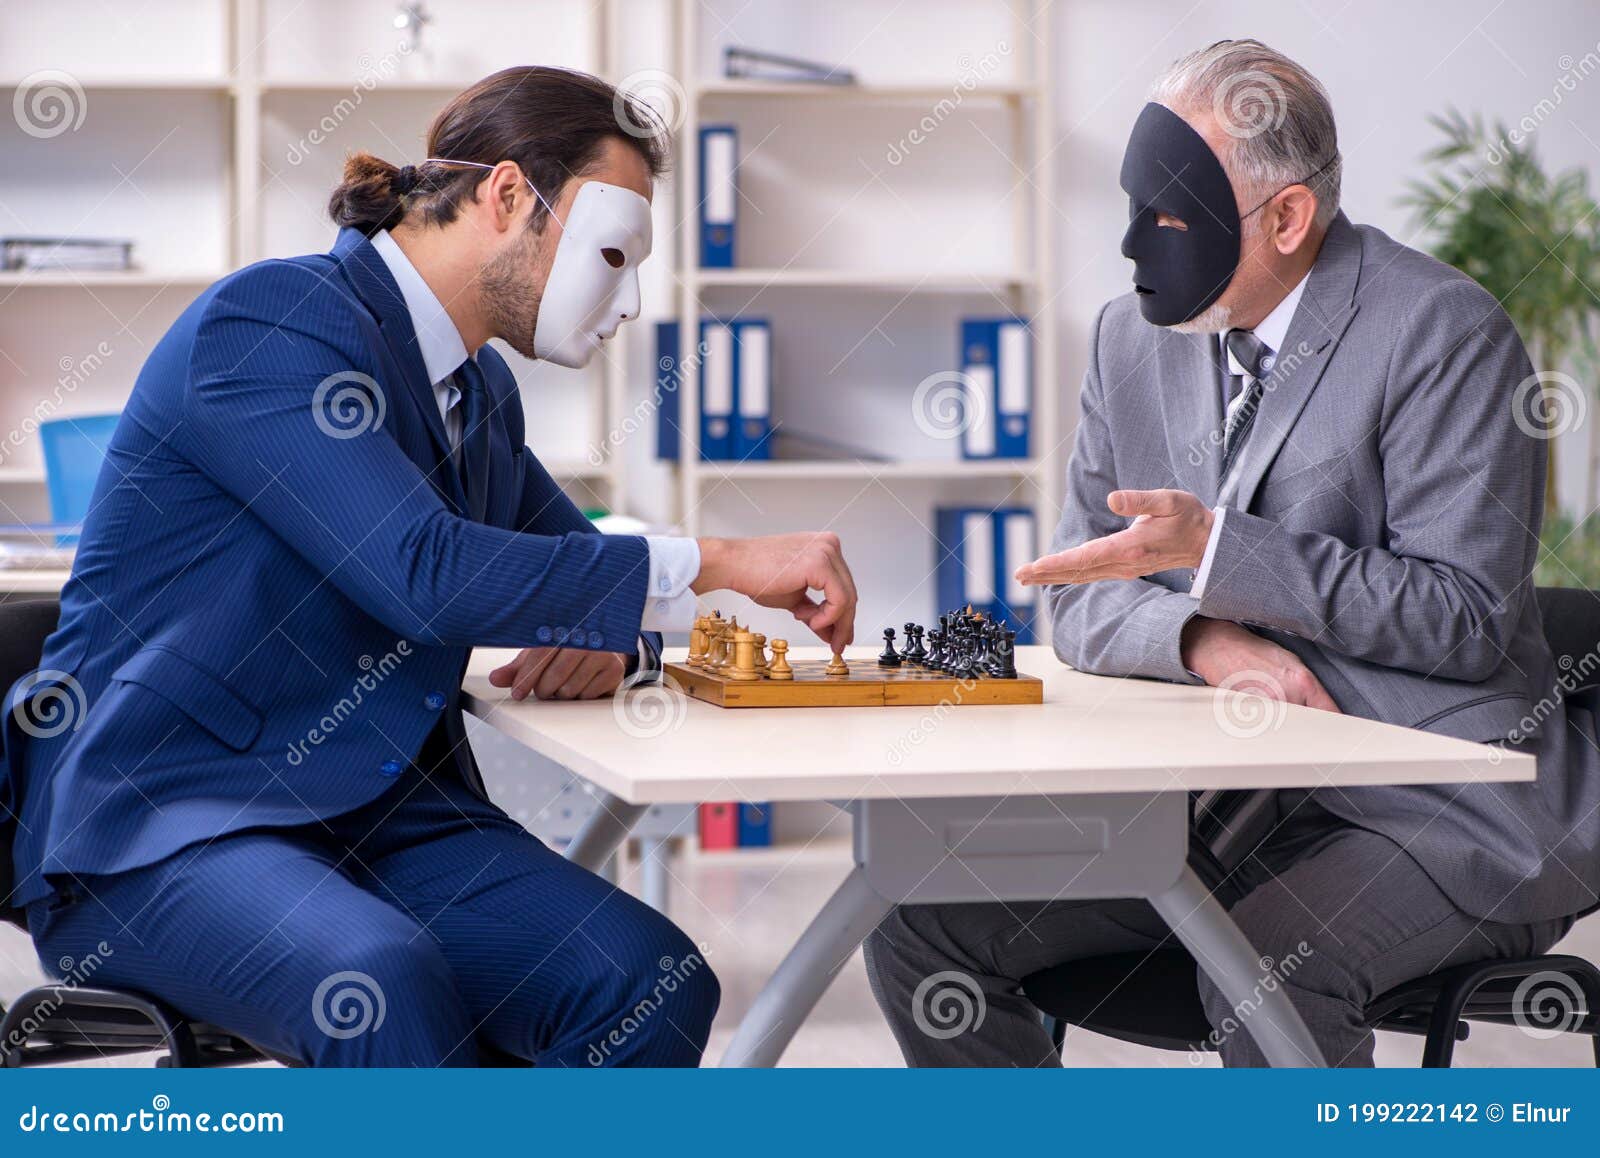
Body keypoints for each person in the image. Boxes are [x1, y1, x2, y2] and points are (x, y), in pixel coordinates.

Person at [1, 66, 857, 1067]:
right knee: (382, 981)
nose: (626, 302)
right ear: (507, 196)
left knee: (645, 979)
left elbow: (574, 567)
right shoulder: (268, 323)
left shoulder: (479, 393)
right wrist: (719, 560)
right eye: (612, 253)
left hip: (384, 820)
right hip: (171, 822)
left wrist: (616, 636)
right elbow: (427, 571)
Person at [864, 39, 1600, 1067]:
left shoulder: (1441, 333)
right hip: (1229, 806)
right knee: (921, 930)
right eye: (1134, 207)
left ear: (1287, 218)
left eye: (1168, 216)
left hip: (1447, 810)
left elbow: (1464, 620)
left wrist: (1216, 550)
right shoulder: (1129, 339)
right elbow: (1075, 593)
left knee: (1265, 976)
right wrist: (1206, 638)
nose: (1133, 244)